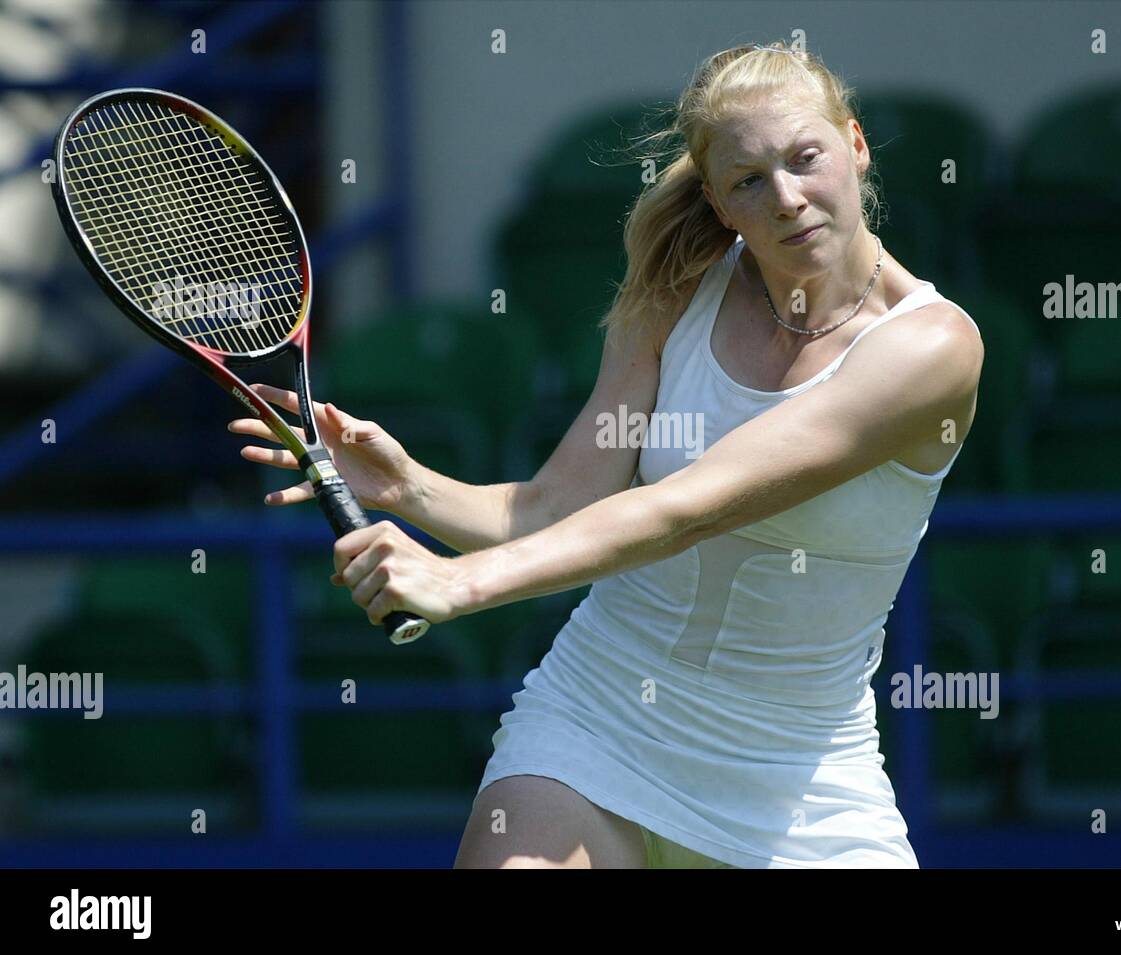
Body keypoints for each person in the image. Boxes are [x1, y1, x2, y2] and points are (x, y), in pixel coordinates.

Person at [230, 42, 983, 868]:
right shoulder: (675, 291)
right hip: (598, 724)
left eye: (806, 159)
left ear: (856, 145)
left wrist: (455, 582)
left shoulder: (931, 348)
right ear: (720, 205)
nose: (788, 198)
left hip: (803, 787)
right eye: (748, 181)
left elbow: (686, 506)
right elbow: (558, 507)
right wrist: (409, 486)